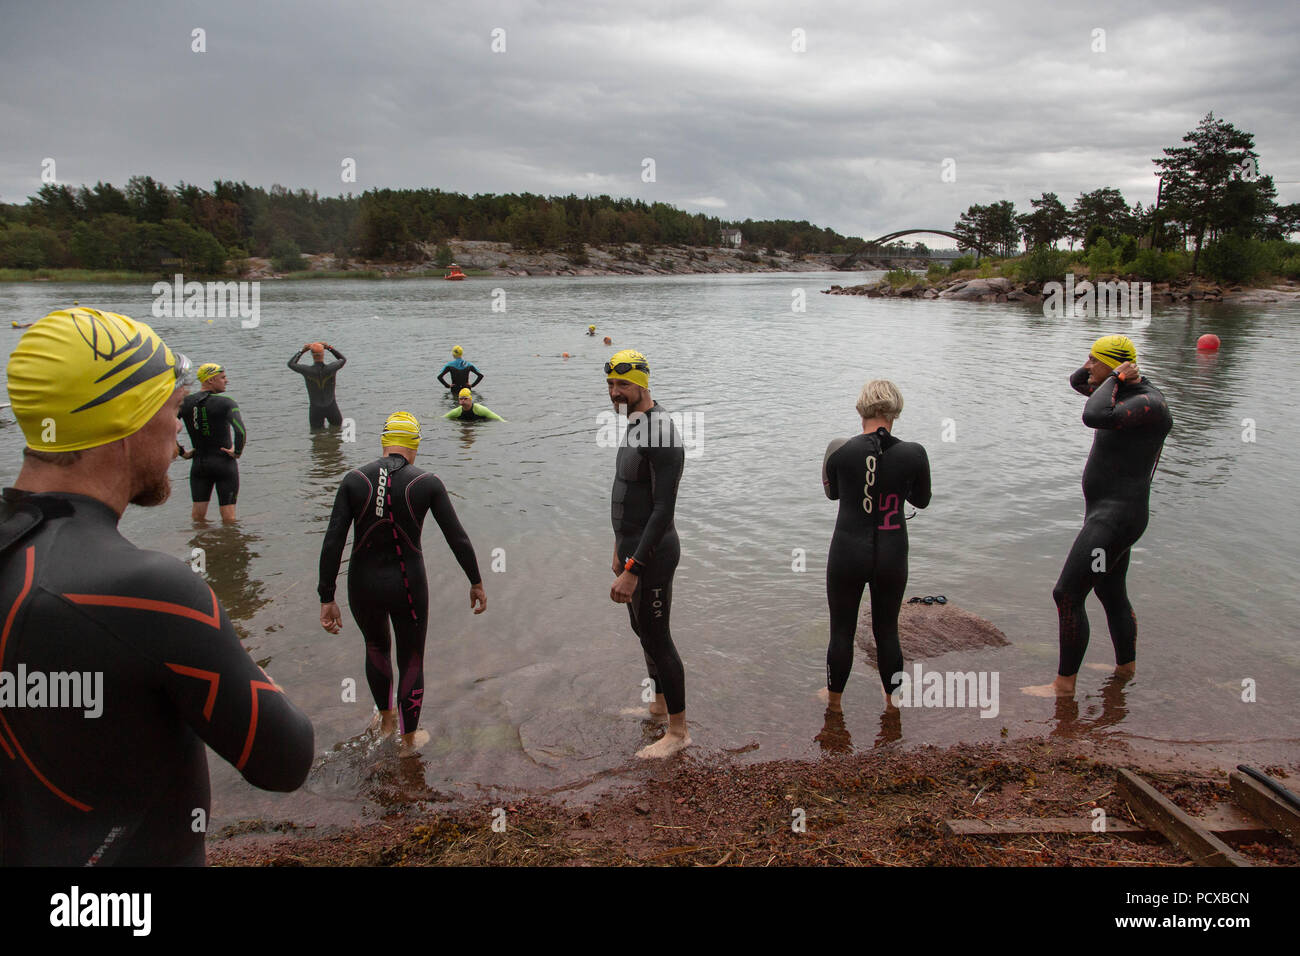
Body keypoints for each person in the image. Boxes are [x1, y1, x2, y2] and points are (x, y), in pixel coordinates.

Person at [0, 307, 313, 866]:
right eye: (172, 409)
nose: (178, 427)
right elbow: (286, 760)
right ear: (127, 420)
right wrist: (249, 667)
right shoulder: (146, 590)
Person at [318, 412, 486, 758]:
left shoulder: (352, 479)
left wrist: (326, 596)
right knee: (411, 657)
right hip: (408, 583)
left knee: (375, 647)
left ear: (384, 442)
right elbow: (458, 537)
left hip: (362, 583)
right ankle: (408, 743)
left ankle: (385, 722)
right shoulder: (427, 482)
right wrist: (475, 581)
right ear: (415, 446)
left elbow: (333, 541)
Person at [1025, 335, 1172, 698]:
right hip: (1108, 514)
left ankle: (1063, 687)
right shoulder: (1120, 393)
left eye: (1094, 360)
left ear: (1116, 368)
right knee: (1110, 591)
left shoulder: (1148, 403)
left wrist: (1118, 377)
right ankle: (1125, 669)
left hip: (1117, 517)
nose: (1087, 366)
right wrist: (1110, 373)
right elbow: (1077, 382)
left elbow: (1092, 415)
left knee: (1067, 593)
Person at [821, 380, 931, 713]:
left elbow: (833, 493)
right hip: (892, 552)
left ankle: (835, 706)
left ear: (861, 408)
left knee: (841, 630)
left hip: (847, 551)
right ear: (896, 410)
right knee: (887, 631)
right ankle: (892, 706)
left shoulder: (839, 449)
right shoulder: (914, 453)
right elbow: (922, 500)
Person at [606, 349, 690, 758]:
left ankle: (678, 732)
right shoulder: (636, 423)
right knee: (643, 633)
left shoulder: (663, 434)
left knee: (658, 638)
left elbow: (662, 510)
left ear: (643, 383)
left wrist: (633, 568)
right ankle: (657, 706)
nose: (615, 392)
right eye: (610, 385)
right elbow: (628, 496)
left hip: (652, 555)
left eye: (623, 384)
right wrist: (617, 549)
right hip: (632, 550)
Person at [179, 363, 245, 523]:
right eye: (222, 378)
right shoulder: (226, 403)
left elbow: (165, 429)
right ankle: (229, 544)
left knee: (197, 516)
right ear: (209, 380)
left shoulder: (185, 402)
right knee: (229, 519)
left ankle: (201, 544)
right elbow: (240, 431)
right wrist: (237, 452)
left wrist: (182, 452)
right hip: (224, 464)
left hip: (199, 464)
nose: (226, 381)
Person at [287, 341, 346, 428]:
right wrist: (330, 348)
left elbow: (291, 364)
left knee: (317, 437)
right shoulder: (332, 368)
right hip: (332, 408)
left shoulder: (306, 370)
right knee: (337, 433)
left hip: (316, 410)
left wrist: (302, 351)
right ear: (323, 354)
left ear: (311, 355)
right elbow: (343, 359)